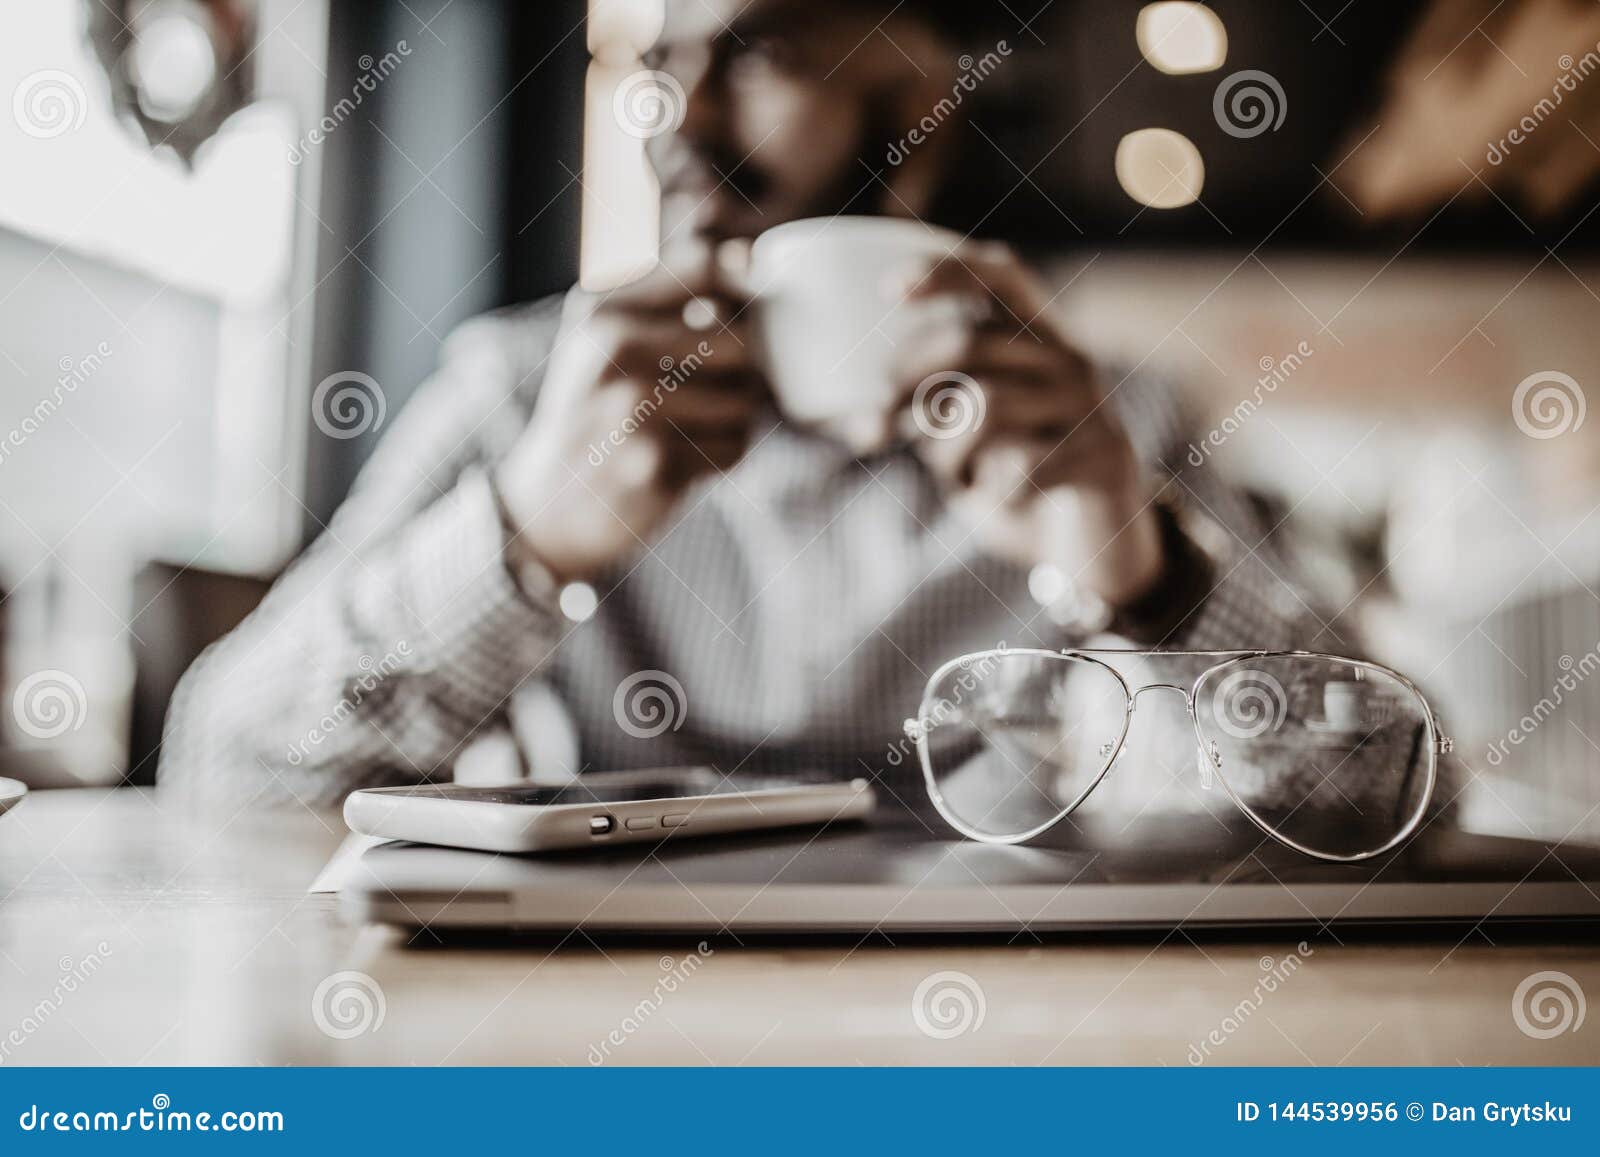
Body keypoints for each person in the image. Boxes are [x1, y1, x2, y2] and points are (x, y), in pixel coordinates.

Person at [159, 0, 1341, 812]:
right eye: (663, 64)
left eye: (763, 47)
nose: (686, 123)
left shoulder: (1100, 423)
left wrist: (1155, 585)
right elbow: (227, 770)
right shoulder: (530, 391)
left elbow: (1386, 794)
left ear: (933, 83)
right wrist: (522, 536)